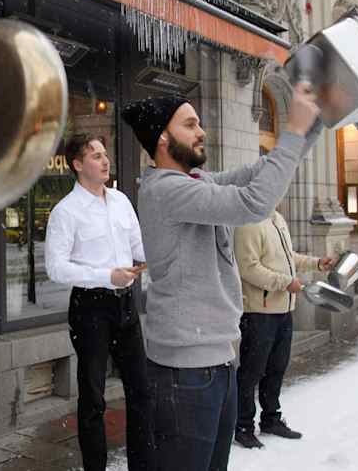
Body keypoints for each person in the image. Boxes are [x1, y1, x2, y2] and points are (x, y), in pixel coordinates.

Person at [123, 88, 320, 471]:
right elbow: (253, 202)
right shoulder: (166, 189)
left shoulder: (198, 183)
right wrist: (293, 129)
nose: (202, 131)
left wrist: (312, 125)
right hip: (185, 373)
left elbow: (260, 174)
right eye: (190, 124)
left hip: (215, 362)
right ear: (162, 137)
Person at [45, 134, 150, 471]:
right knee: (93, 398)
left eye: (105, 154)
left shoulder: (121, 201)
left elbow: (139, 247)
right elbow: (56, 268)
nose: (105, 161)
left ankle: (143, 465)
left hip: (126, 305)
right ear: (77, 165)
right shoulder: (66, 212)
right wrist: (107, 276)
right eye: (95, 156)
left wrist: (153, 260)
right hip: (91, 308)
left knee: (141, 391)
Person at [232, 210, 334, 448]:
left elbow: (289, 257)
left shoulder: (277, 219)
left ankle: (271, 419)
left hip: (284, 310)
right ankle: (243, 426)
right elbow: (248, 268)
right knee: (251, 372)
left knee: (276, 369)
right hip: (258, 312)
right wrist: (284, 282)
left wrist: (316, 263)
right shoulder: (248, 222)